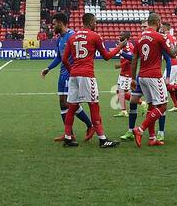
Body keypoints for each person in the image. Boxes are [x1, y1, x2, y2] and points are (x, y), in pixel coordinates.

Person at [60, 12, 121, 148]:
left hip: (74, 75)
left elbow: (64, 59)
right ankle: (102, 139)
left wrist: (73, 71)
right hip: (87, 75)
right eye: (95, 22)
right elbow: (106, 56)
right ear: (91, 22)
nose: (96, 24)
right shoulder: (95, 36)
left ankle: (68, 138)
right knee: (94, 105)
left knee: (72, 107)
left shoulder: (73, 36)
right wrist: (120, 47)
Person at [40, 12, 94, 141]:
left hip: (71, 74)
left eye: (54, 24)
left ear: (60, 23)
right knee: (63, 103)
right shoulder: (59, 39)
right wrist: (48, 68)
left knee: (68, 103)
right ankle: (69, 133)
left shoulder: (72, 36)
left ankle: (89, 125)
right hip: (62, 74)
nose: (52, 27)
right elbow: (59, 57)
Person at [129, 11, 174, 147]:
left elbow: (134, 59)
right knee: (163, 106)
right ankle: (140, 129)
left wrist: (133, 78)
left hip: (141, 76)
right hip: (154, 76)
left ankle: (152, 137)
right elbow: (172, 54)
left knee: (151, 106)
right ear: (158, 22)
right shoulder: (159, 36)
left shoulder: (139, 38)